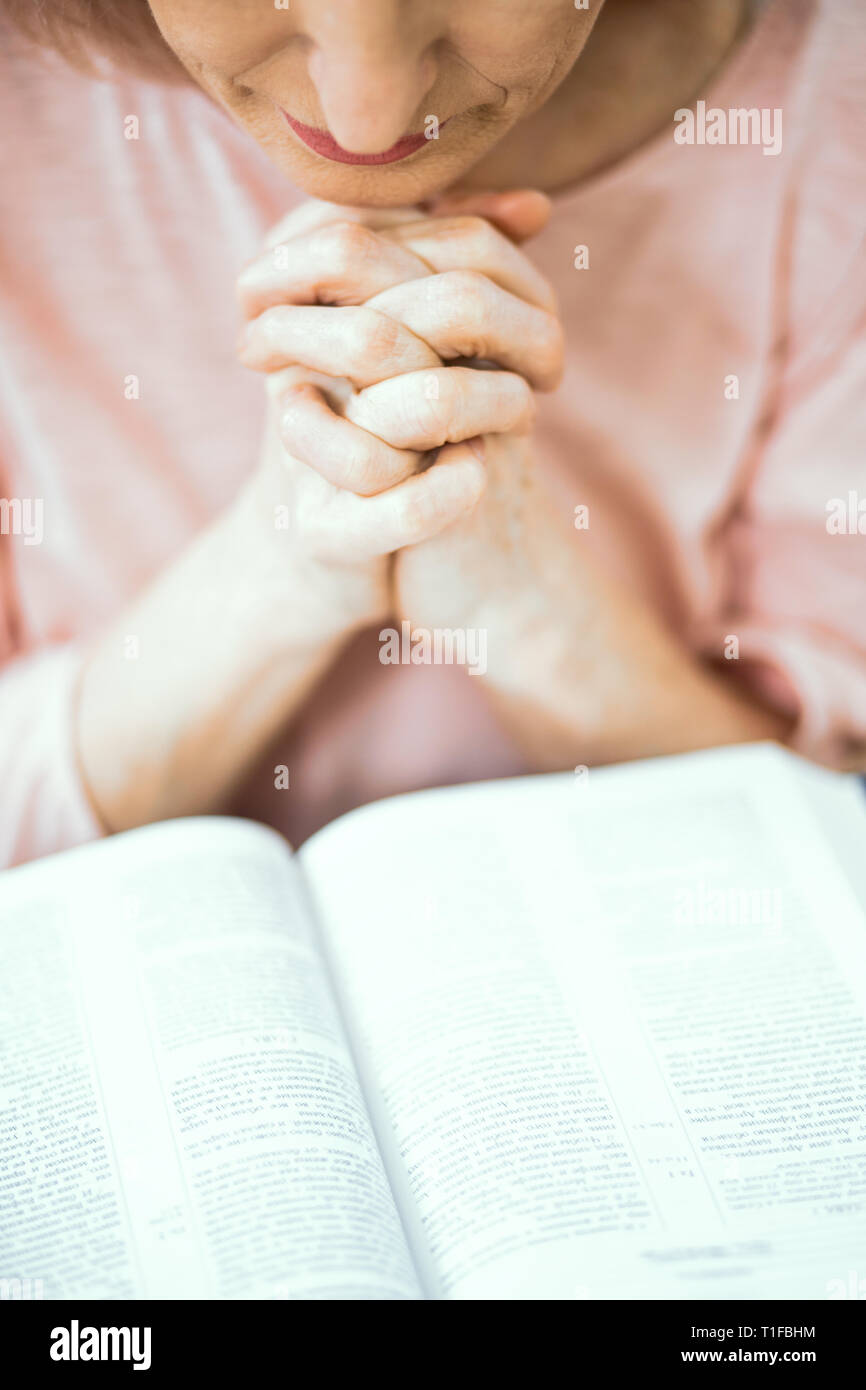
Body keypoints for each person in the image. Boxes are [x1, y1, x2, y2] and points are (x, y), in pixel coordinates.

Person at [0, 0, 863, 868]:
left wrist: (520, 603)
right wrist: (279, 568)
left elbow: (827, 839)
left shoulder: (833, 109)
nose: (363, 122)